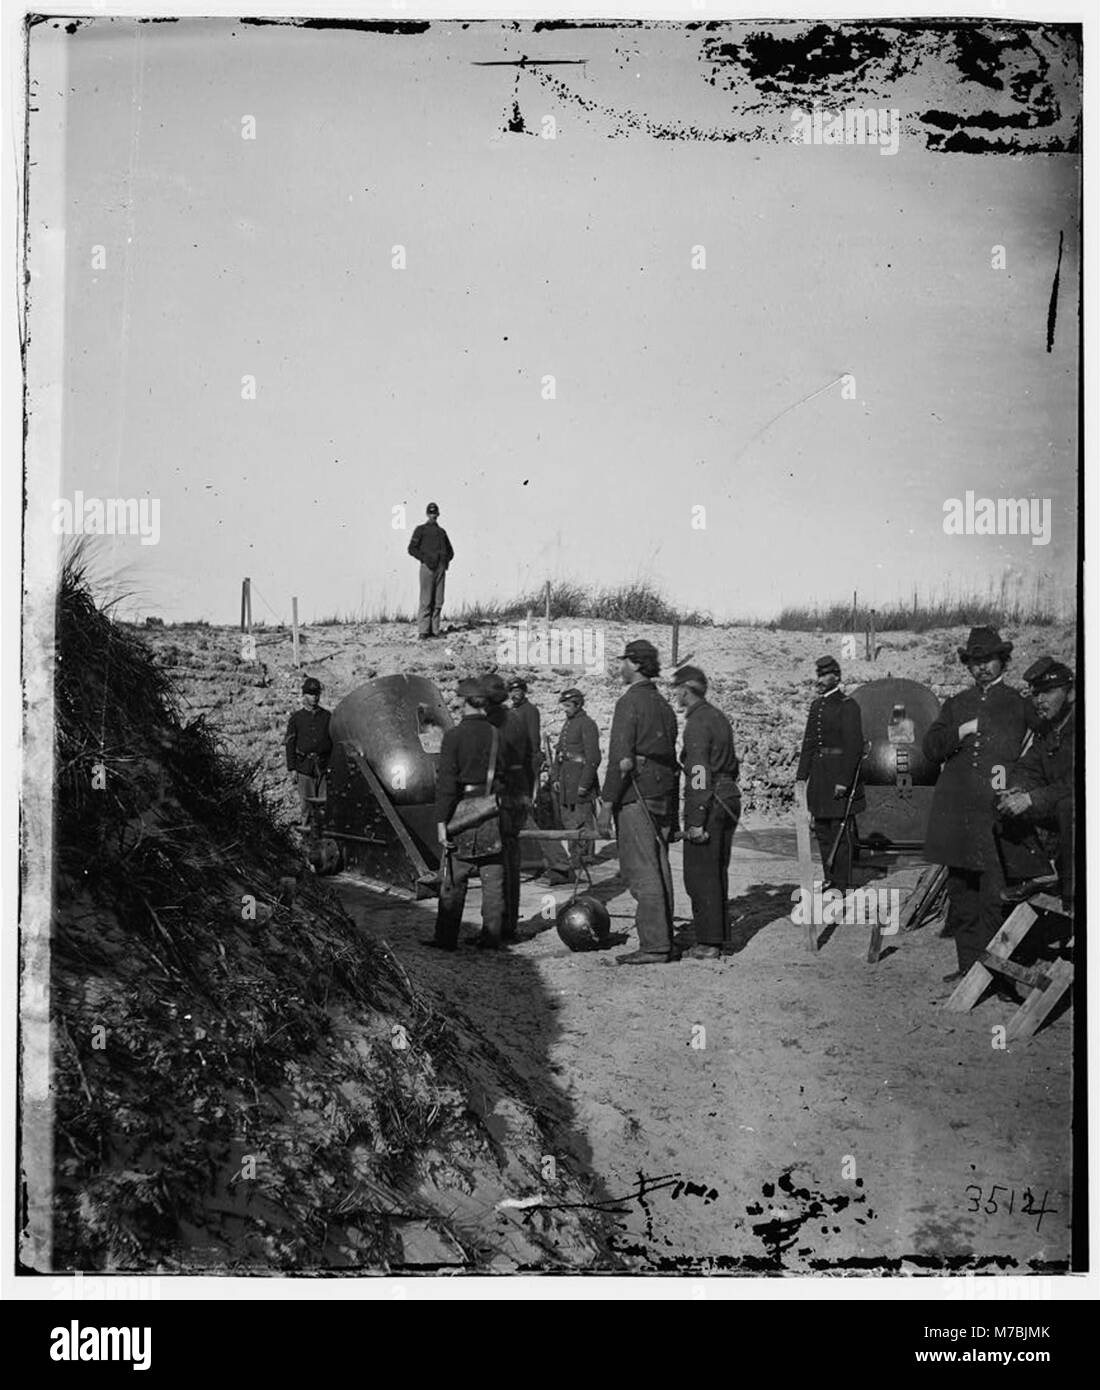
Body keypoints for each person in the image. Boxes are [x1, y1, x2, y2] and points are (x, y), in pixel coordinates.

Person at [922, 626, 1048, 987]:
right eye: (975, 662)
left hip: (996, 815)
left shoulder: (1020, 703)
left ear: (1002, 660)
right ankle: (968, 969)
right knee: (962, 894)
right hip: (957, 814)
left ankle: (998, 976)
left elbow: (1049, 738)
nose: (981, 669)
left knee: (996, 895)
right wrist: (960, 732)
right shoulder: (957, 704)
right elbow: (932, 749)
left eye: (988, 661)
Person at [597, 639, 680, 965]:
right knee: (660, 868)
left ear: (634, 663)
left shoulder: (629, 703)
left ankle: (655, 946)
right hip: (661, 793)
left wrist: (606, 804)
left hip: (635, 796)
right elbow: (672, 759)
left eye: (623, 662)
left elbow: (620, 757)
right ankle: (664, 940)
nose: (620, 668)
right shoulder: (664, 706)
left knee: (640, 872)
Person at [430, 677, 506, 951]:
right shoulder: (497, 734)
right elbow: (504, 777)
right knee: (493, 877)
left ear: (465, 702)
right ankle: (492, 936)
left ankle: (446, 938)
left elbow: (447, 785)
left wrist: (441, 822)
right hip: (491, 811)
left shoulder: (454, 736)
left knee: (454, 876)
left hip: (462, 812)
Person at [671, 666, 741, 961]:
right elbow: (732, 765)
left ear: (686, 691)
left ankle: (709, 943)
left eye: (676, 689)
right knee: (716, 871)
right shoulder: (718, 717)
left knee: (700, 875)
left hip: (710, 801)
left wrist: (697, 821)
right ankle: (716, 937)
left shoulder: (698, 723)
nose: (675, 694)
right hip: (728, 796)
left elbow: (699, 773)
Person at [998, 657, 1076, 912]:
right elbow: (1028, 767)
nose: (1040, 700)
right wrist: (1018, 790)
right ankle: (1039, 873)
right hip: (1058, 805)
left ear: (1072, 693)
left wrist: (1031, 799)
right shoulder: (1047, 730)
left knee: (1069, 807)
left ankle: (1072, 897)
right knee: (1000, 803)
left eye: (1048, 692)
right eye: (1035, 694)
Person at [794, 655, 865, 891]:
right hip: (819, 776)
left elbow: (854, 747)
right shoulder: (816, 706)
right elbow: (809, 744)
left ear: (837, 676)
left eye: (825, 675)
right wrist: (801, 777)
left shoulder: (848, 706)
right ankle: (829, 877)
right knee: (822, 830)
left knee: (839, 832)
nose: (821, 680)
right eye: (819, 675)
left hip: (837, 777)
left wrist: (844, 781)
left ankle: (841, 883)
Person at [482, 673, 532, 942]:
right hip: (519, 791)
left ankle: (496, 927)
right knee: (512, 859)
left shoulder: (492, 722)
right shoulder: (517, 718)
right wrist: (528, 793)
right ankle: (509, 923)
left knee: (496, 861)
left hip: (498, 795)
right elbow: (530, 758)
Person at [551, 688, 602, 881]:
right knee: (569, 822)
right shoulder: (568, 723)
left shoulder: (587, 724)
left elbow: (593, 758)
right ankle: (574, 857)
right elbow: (559, 754)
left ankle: (583, 858)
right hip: (566, 781)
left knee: (582, 822)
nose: (564, 709)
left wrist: (585, 784)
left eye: (568, 705)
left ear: (578, 705)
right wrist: (556, 777)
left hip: (580, 780)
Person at [284, 676, 332, 831]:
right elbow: (290, 743)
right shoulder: (296, 718)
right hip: (304, 768)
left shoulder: (327, 717)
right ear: (304, 695)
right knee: (307, 806)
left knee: (324, 805)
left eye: (317, 694)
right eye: (311, 694)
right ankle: (307, 839)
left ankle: (324, 838)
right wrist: (292, 768)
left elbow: (333, 742)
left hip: (323, 767)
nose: (314, 697)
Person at [407, 502, 454, 639]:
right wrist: (425, 558)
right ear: (427, 514)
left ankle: (434, 630)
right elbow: (411, 548)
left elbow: (451, 551)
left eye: (435, 513)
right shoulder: (420, 530)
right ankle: (423, 631)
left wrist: (444, 561)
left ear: (438, 514)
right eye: (431, 513)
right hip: (427, 568)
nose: (433, 515)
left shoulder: (442, 532)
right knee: (426, 600)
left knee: (438, 601)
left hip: (440, 568)